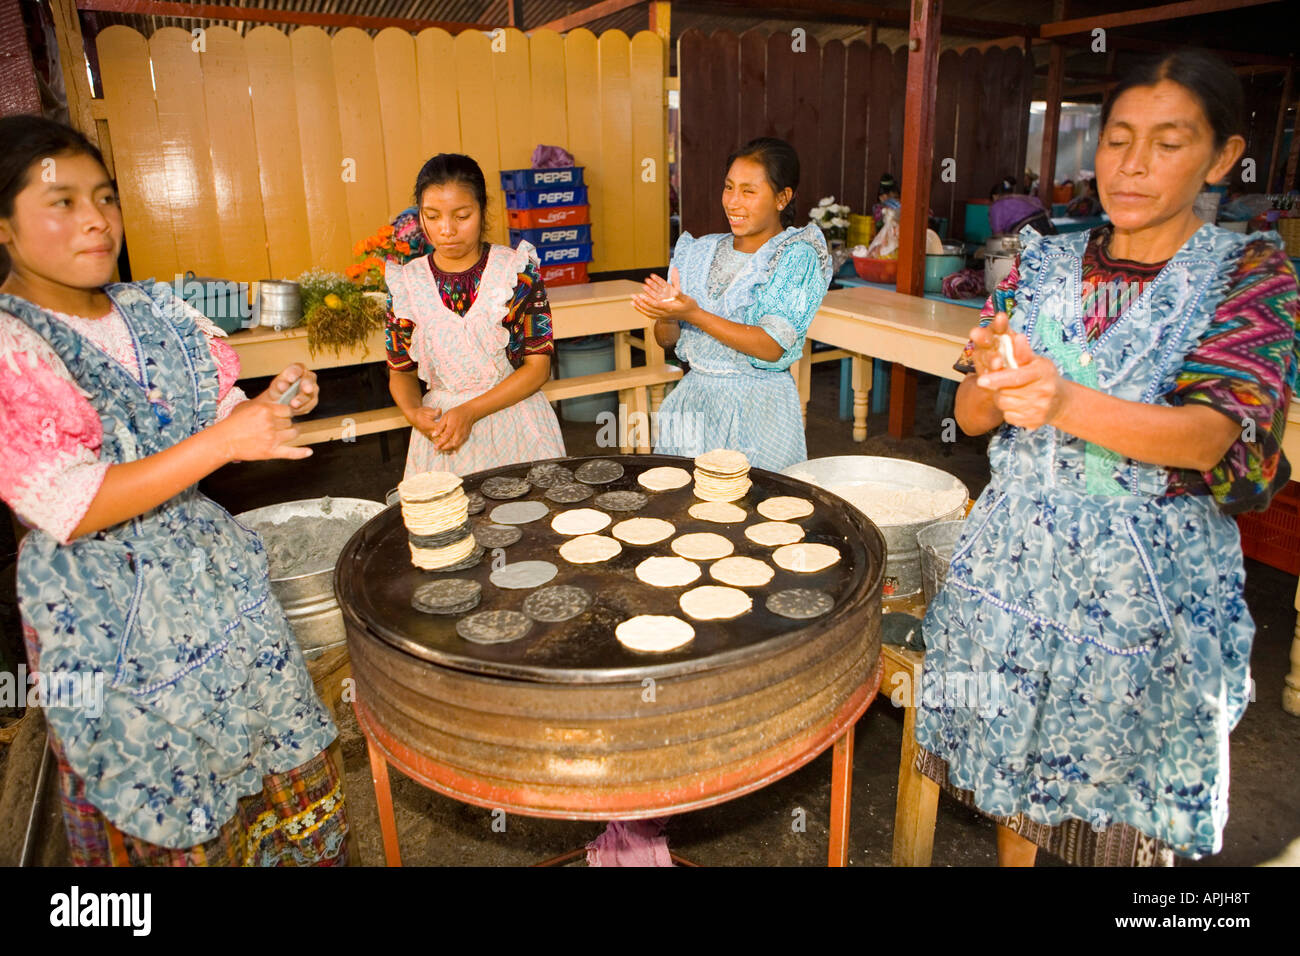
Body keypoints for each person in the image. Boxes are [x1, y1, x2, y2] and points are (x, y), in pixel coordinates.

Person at [916, 50, 1300, 867]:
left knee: (1130, 799)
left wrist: (1061, 402)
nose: (1132, 165)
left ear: (1224, 156)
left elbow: (1210, 433)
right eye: (1118, 138)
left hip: (1146, 580)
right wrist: (998, 378)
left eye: (1168, 142)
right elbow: (971, 413)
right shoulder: (1043, 258)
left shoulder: (1249, 271)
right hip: (1017, 561)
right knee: (1013, 754)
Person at [0, 116, 346, 865]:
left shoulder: (154, 312)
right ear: (3, 225)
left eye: (105, 196)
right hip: (107, 612)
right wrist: (225, 441)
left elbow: (206, 417)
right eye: (61, 202)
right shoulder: (12, 346)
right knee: (167, 791)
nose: (96, 219)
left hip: (212, 583)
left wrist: (264, 409)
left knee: (271, 737)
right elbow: (69, 504)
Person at [633, 137, 831, 471]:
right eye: (728, 188)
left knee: (757, 512)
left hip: (759, 411)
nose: (733, 202)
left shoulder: (795, 257)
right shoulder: (697, 252)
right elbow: (668, 341)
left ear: (783, 198)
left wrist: (694, 313)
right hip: (694, 403)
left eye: (748, 191)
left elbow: (771, 346)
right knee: (687, 508)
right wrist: (668, 315)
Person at [385, 154, 564, 478]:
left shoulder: (516, 273)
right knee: (451, 523)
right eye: (433, 216)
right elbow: (400, 370)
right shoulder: (406, 285)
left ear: (482, 210)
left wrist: (469, 411)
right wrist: (414, 412)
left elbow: (538, 368)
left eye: (462, 215)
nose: (447, 229)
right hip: (442, 432)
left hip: (517, 424)